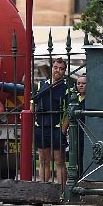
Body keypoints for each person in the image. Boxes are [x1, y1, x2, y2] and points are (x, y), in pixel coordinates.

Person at [34, 57, 69, 186]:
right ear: (52, 69)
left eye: (61, 69)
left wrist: (62, 130)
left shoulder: (66, 88)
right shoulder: (41, 85)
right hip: (41, 127)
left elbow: (69, 112)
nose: (58, 71)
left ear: (64, 71)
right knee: (43, 160)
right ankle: (44, 189)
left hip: (56, 128)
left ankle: (61, 191)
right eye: (55, 68)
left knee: (59, 161)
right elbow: (33, 104)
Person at [63, 73, 86, 176]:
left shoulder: (92, 99)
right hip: (74, 132)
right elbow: (68, 116)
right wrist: (63, 131)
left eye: (84, 83)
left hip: (86, 132)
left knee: (84, 157)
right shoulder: (74, 98)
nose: (80, 85)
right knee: (74, 157)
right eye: (78, 83)